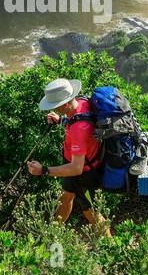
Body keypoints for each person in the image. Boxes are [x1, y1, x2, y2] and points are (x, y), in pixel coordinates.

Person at [26, 78, 111, 237]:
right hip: (75, 168)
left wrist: (43, 170)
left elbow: (76, 168)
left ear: (65, 104)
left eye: (55, 106)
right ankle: (51, 236)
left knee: (91, 212)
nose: (53, 109)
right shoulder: (81, 102)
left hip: (85, 175)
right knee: (65, 199)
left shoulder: (79, 129)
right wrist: (61, 120)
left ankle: (113, 248)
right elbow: (77, 120)